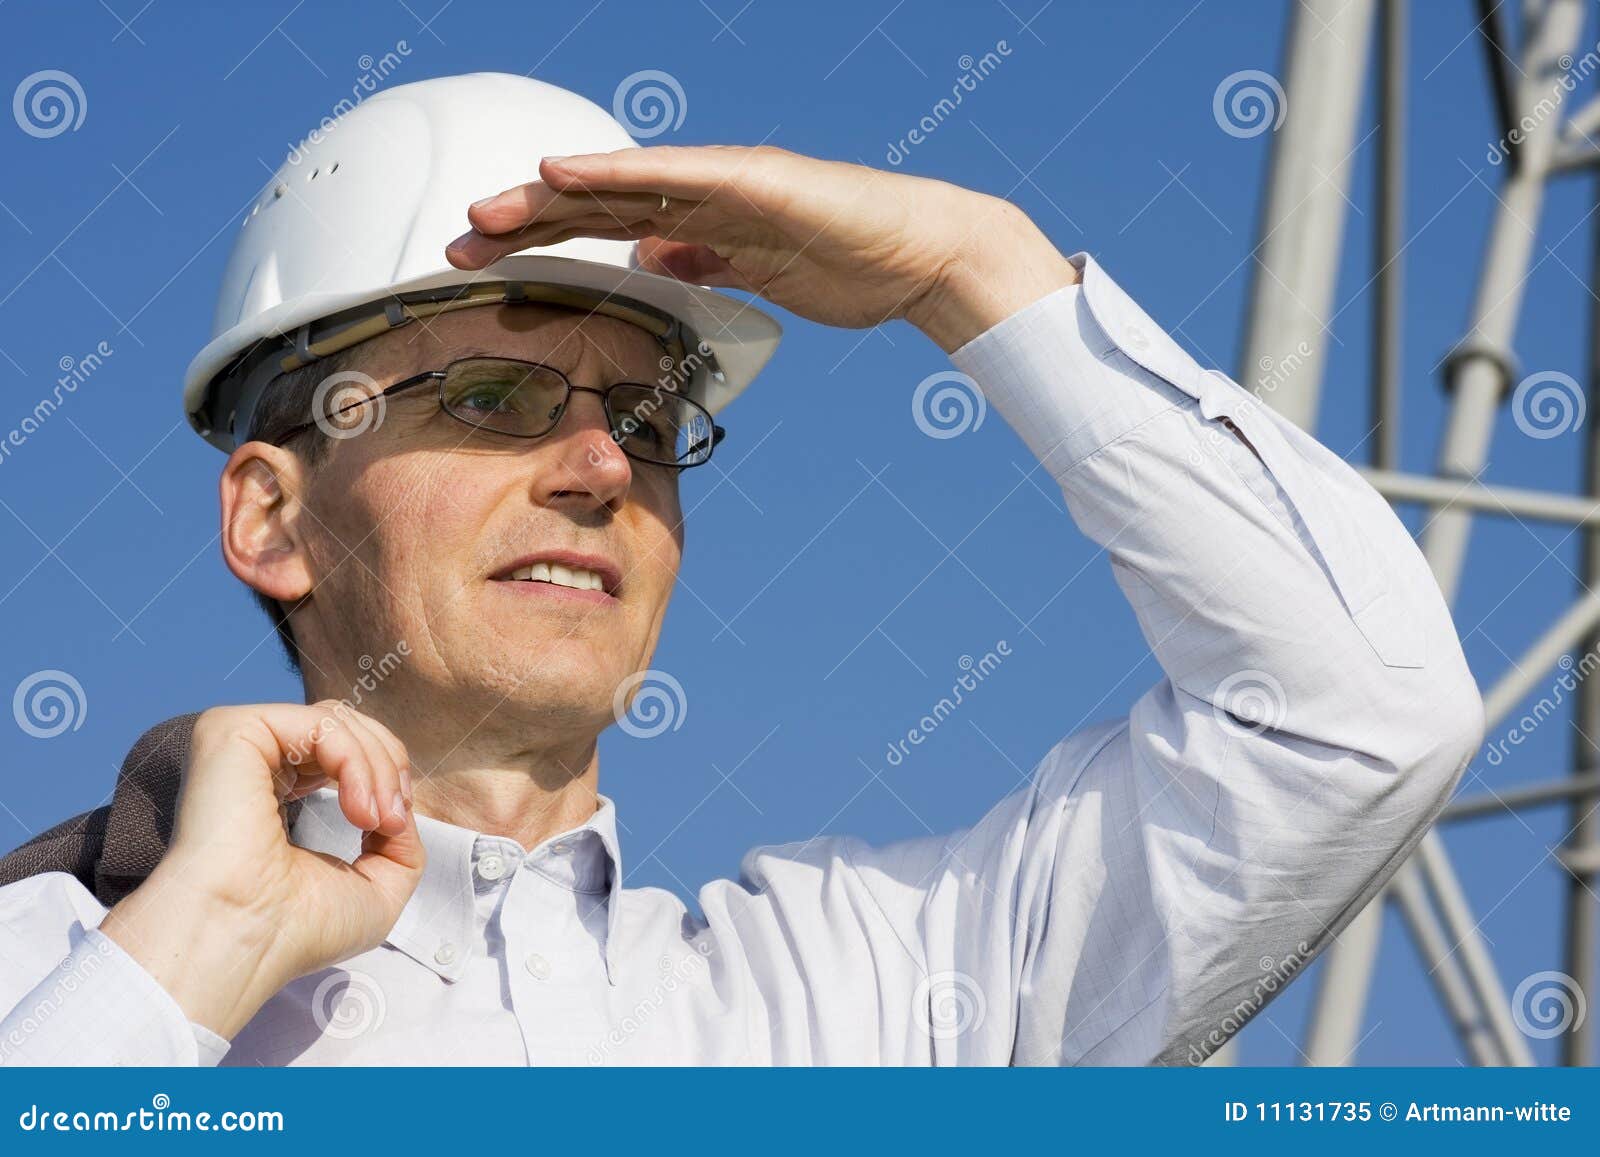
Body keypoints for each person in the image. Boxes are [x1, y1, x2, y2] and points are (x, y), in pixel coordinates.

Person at [0, 73, 1482, 1066]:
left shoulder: (874, 997)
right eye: (493, 399)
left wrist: (970, 272)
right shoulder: (72, 970)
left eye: (646, 418)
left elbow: (1353, 715)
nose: (598, 467)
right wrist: (206, 945)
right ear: (269, 516)